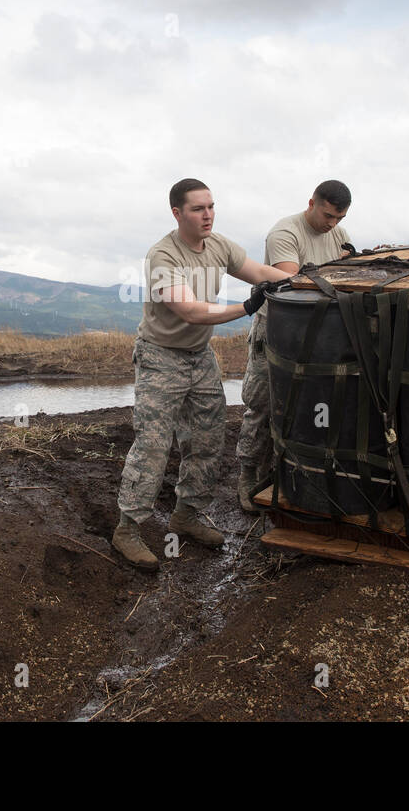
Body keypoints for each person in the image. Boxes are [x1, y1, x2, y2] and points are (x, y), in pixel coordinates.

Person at [113, 179, 291, 570]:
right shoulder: (163, 256)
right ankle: (127, 529)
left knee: (208, 440)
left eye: (211, 206)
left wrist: (301, 279)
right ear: (177, 213)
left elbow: (259, 270)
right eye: (198, 209)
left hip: (199, 357)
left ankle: (187, 516)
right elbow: (191, 311)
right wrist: (246, 307)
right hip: (161, 358)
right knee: (154, 445)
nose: (207, 214)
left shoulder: (220, 245)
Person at [236, 180, 355, 513]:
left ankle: (284, 473)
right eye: (329, 215)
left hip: (321, 331)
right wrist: (341, 269)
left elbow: (348, 264)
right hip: (276, 329)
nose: (333, 224)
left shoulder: (338, 233)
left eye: (340, 218)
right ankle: (247, 477)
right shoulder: (285, 233)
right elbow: (294, 283)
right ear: (312, 203)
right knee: (262, 404)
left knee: (306, 407)